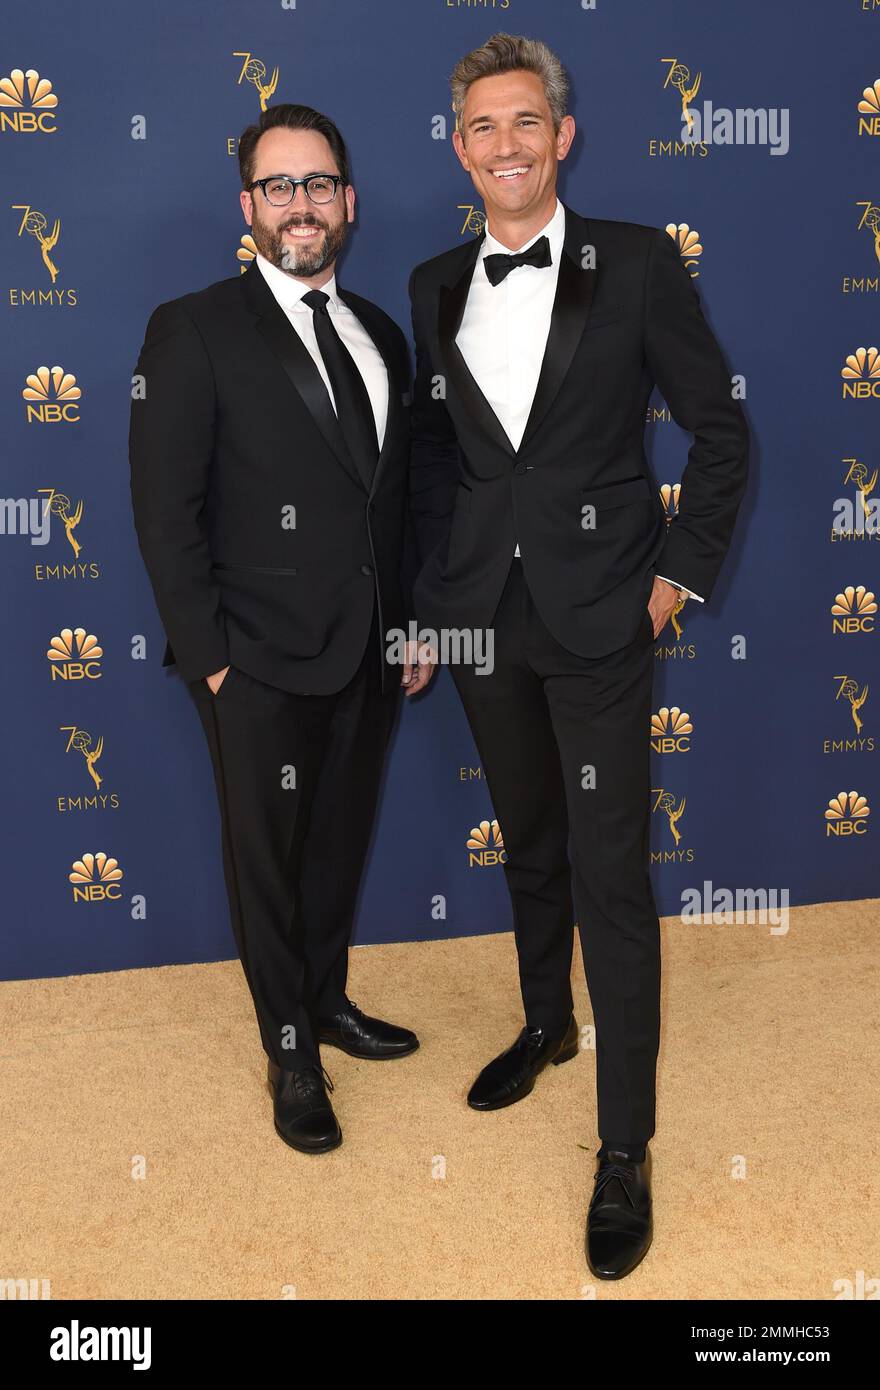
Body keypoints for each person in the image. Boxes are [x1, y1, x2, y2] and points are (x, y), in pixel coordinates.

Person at [408, 33, 749, 1278]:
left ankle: (623, 1148)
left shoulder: (640, 264)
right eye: (481, 128)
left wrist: (674, 580)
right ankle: (546, 1023)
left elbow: (720, 432)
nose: (504, 145)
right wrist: (428, 611)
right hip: (481, 617)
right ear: (460, 147)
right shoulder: (435, 280)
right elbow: (442, 462)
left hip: (606, 615)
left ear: (563, 135)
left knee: (610, 873)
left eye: (524, 124)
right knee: (528, 836)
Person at [130, 103, 433, 1156]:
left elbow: (398, 502)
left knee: (337, 843)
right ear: (247, 207)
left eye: (317, 185)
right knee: (268, 859)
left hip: (371, 650)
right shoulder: (195, 326)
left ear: (346, 202)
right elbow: (164, 511)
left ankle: (329, 997)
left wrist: (416, 624)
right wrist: (212, 661)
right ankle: (292, 1050)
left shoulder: (383, 334)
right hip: (253, 658)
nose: (299, 205)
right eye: (278, 186)